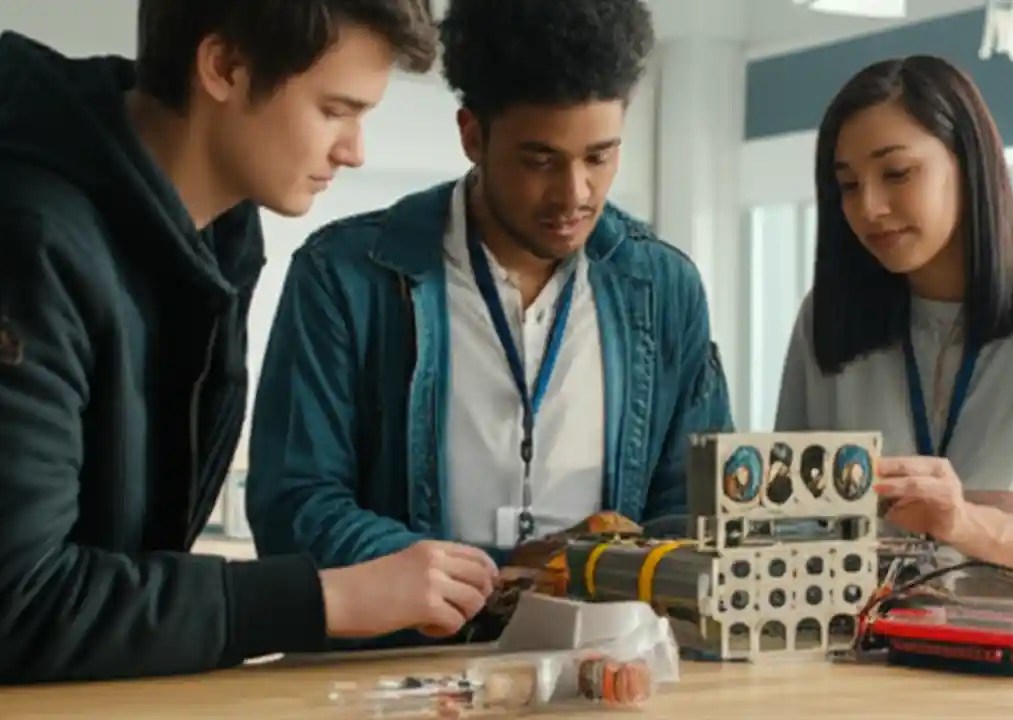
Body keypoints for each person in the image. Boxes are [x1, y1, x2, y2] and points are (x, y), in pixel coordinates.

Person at [0, 0, 501, 685]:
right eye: (334, 110)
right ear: (224, 67)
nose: (354, 150)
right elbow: (11, 607)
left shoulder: (221, 235)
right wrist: (328, 598)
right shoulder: (25, 239)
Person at [244, 0, 733, 642]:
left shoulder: (664, 289)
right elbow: (295, 505)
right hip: (388, 671)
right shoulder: (344, 274)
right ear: (473, 135)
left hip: (604, 670)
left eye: (600, 156)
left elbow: (698, 513)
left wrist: (593, 568)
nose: (575, 194)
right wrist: (487, 581)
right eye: (540, 160)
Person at [774, 56, 1013, 593]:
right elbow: (785, 526)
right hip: (863, 662)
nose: (870, 207)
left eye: (897, 173)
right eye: (849, 185)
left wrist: (966, 525)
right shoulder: (826, 318)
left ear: (968, 164)